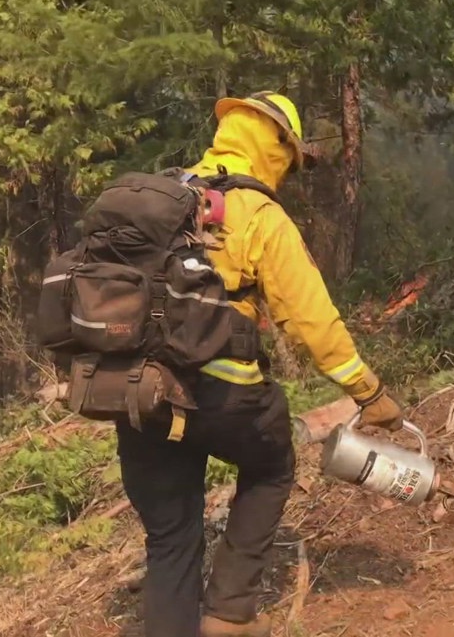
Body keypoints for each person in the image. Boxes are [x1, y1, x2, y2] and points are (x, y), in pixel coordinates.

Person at [114, 91, 405, 637]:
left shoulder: (160, 194)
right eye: (291, 163)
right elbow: (311, 322)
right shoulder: (259, 213)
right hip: (222, 393)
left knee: (172, 533)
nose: (289, 174)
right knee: (271, 467)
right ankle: (228, 615)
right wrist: (368, 393)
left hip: (142, 392)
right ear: (276, 147)